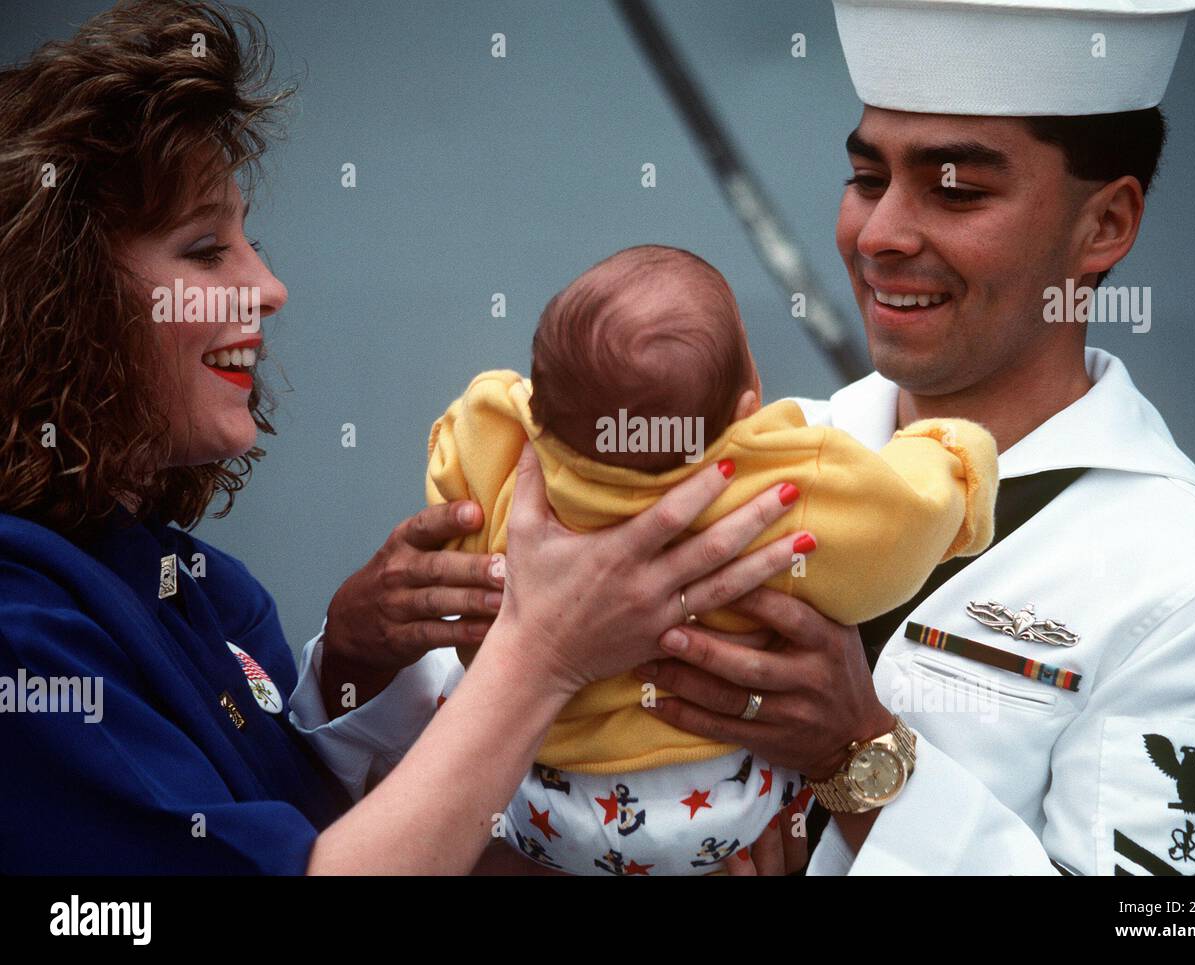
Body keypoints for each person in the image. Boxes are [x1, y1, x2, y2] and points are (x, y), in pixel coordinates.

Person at [303, 0, 1195, 876]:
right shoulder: (733, 464)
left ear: (1104, 224)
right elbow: (416, 768)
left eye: (955, 191)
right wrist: (355, 652)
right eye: (868, 178)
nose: (880, 233)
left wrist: (863, 762)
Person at [0, 0, 801, 875]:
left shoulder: (200, 591)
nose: (268, 287)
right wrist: (547, 651)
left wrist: (354, 663)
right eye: (204, 250)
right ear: (62, 299)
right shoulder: (21, 636)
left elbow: (350, 835)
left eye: (249, 241)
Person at [410, 244, 996, 874]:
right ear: (749, 409)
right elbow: (902, 526)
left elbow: (457, 453)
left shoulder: (508, 447)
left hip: (530, 797)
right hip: (711, 815)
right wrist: (949, 451)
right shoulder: (782, 483)